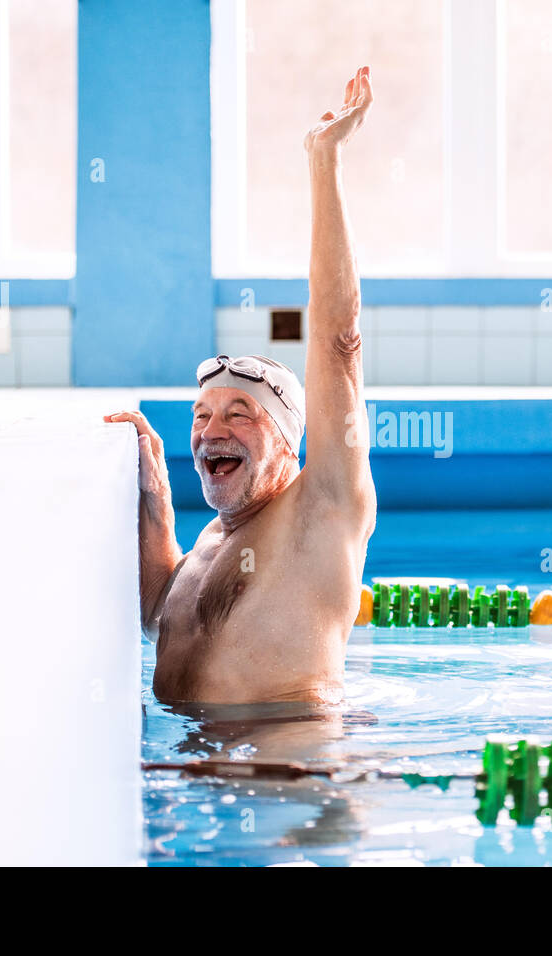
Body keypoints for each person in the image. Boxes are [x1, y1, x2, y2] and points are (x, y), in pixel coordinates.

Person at [105, 66, 378, 706]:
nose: (211, 430)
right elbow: (161, 622)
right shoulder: (212, 540)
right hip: (197, 769)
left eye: (239, 413)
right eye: (202, 416)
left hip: (290, 774)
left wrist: (323, 160)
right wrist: (156, 502)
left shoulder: (324, 510)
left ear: (288, 444)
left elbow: (340, 336)